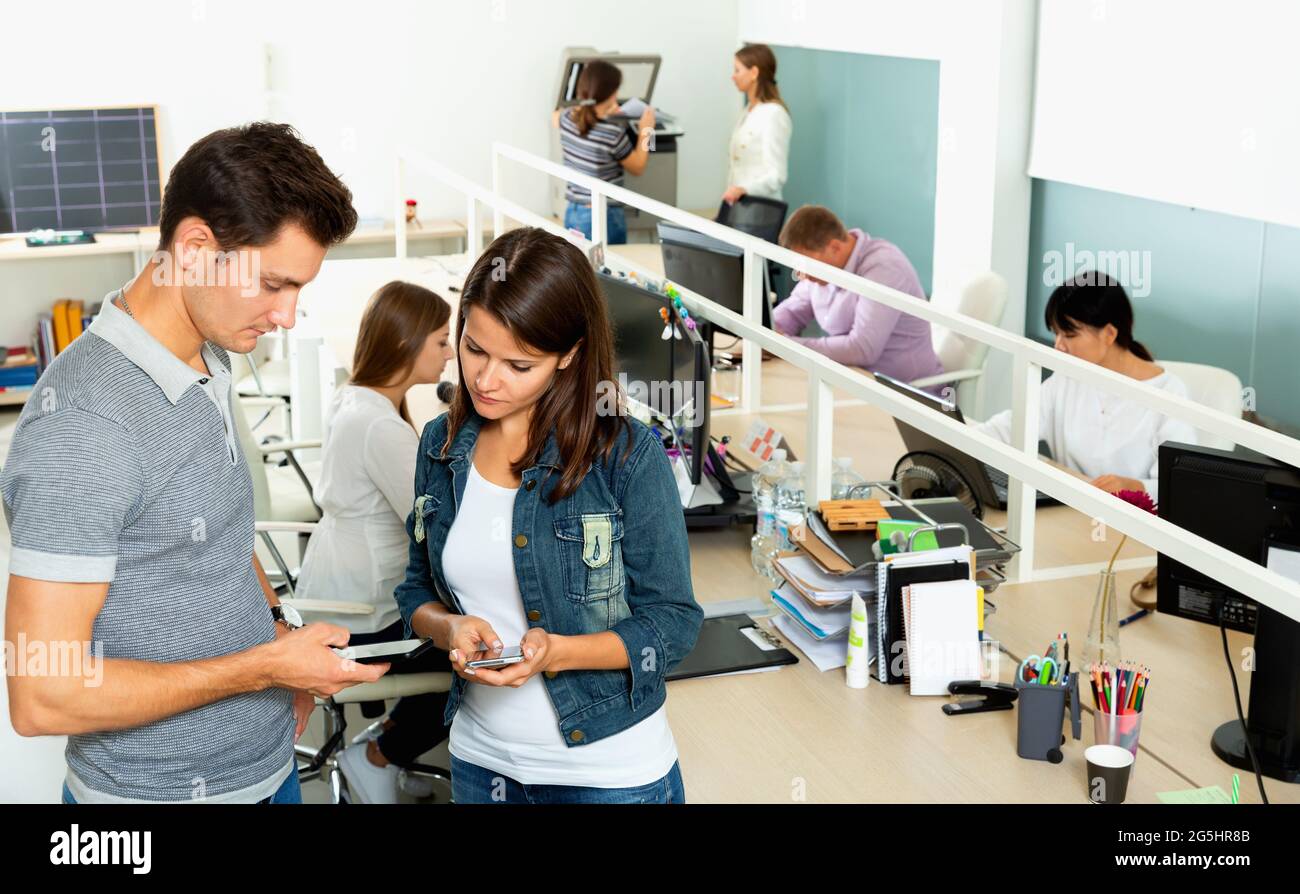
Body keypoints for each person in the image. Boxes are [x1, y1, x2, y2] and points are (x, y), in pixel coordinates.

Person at [2, 123, 389, 804]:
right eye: (273, 284)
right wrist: (265, 668)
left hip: (269, 770)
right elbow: (43, 695)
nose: (289, 315)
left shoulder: (205, 356)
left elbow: (223, 533)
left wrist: (282, 645)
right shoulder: (83, 424)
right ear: (196, 249)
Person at [394, 226, 703, 804]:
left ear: (569, 355)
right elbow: (415, 592)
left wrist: (557, 653)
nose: (486, 380)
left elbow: (674, 624)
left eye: (519, 364)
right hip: (481, 764)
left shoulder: (625, 457)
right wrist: (450, 627)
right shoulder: (441, 444)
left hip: (607, 778)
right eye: (474, 348)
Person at [294, 280, 456, 803]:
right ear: (408, 347)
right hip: (363, 616)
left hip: (336, 590)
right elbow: (438, 524)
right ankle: (378, 756)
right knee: (470, 663)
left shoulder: (356, 397)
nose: (450, 351)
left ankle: (386, 747)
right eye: (441, 340)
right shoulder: (382, 428)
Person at [976, 273, 1197, 500]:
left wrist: (1137, 486)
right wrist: (955, 436)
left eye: (1069, 334)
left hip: (1133, 520)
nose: (1058, 346)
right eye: (1056, 333)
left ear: (1109, 334)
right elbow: (1012, 427)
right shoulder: (1067, 378)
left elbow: (1181, 486)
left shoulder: (1169, 392)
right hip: (1071, 509)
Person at [773, 204, 945, 387]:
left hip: (904, 393)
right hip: (856, 381)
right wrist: (766, 330)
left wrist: (787, 344)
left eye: (806, 264)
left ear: (835, 247)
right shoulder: (818, 271)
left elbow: (863, 348)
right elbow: (791, 312)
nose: (801, 275)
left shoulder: (884, 267)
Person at [554, 59, 655, 245]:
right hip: (603, 215)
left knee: (581, 268)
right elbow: (639, 167)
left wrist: (601, 111)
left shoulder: (566, 118)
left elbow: (557, 115)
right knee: (609, 271)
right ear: (612, 93)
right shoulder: (613, 134)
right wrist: (647, 131)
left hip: (573, 211)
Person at [723, 43, 793, 204]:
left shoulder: (774, 114)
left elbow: (777, 175)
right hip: (739, 205)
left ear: (754, 72)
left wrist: (744, 189)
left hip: (760, 209)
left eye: (737, 70)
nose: (733, 76)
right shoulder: (749, 110)